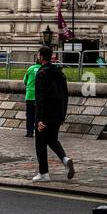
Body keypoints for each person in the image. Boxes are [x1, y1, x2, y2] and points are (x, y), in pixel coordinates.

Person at [32, 45, 74, 182]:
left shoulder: (41, 73)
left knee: (40, 143)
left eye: (38, 55)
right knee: (52, 140)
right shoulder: (60, 73)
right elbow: (65, 96)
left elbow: (40, 98)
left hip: (45, 115)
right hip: (57, 114)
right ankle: (65, 159)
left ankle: (44, 173)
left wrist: (39, 119)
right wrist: (63, 114)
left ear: (42, 57)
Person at [22, 57, 41, 138]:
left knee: (29, 115)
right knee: (39, 115)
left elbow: (25, 81)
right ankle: (38, 132)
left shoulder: (30, 69)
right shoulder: (43, 69)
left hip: (29, 95)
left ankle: (29, 132)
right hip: (39, 96)